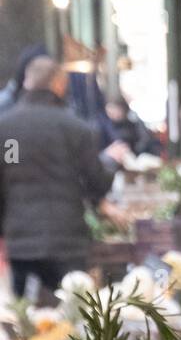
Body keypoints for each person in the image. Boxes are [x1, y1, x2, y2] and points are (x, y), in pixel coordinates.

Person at [0, 56, 121, 300]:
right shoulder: (75, 129)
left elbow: (7, 174)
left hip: (21, 242)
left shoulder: (8, 131)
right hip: (67, 241)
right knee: (72, 318)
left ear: (27, 82)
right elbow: (96, 182)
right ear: (58, 85)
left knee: (29, 323)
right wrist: (112, 161)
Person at [98, 93, 161, 159]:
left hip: (138, 156)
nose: (113, 114)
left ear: (123, 109)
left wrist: (133, 153)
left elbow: (144, 140)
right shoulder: (106, 125)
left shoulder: (133, 121)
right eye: (110, 111)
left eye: (115, 110)